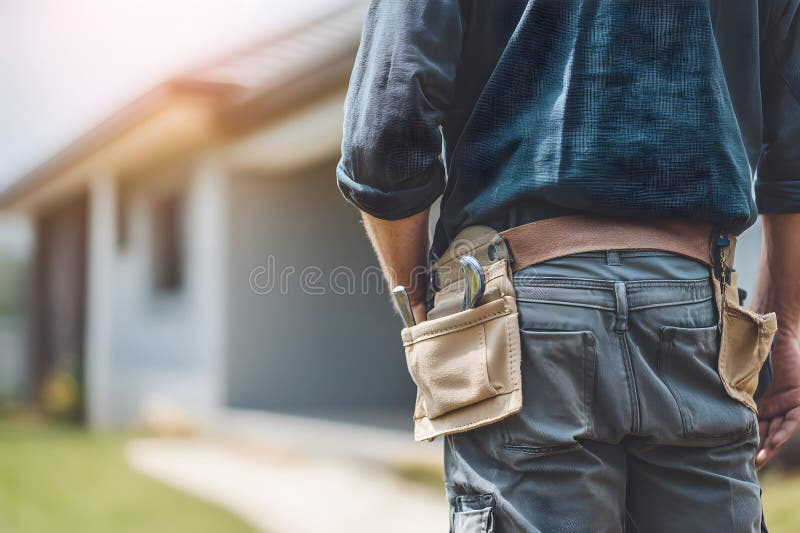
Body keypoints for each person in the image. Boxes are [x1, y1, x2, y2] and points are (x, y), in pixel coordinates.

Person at [337, 1, 800, 531]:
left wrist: (418, 299)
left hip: (523, 319)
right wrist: (783, 327)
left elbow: (386, 132)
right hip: (697, 316)